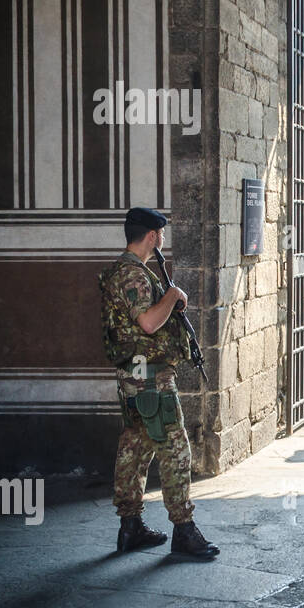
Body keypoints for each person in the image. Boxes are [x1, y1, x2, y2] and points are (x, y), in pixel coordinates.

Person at [99, 207, 219, 559]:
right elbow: (149, 324)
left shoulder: (120, 271)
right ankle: (183, 529)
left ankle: (130, 527)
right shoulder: (134, 275)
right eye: (160, 235)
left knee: (135, 444)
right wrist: (172, 296)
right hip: (150, 379)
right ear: (152, 236)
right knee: (174, 448)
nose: (161, 240)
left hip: (134, 376)